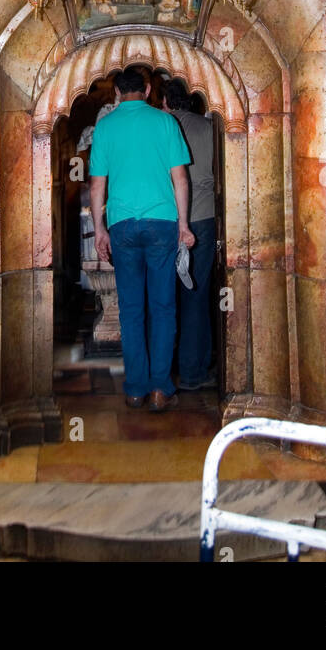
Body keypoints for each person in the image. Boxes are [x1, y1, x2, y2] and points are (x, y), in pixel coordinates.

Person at [89, 66, 194, 413]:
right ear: (148, 90)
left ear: (118, 92)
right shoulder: (166, 123)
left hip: (123, 225)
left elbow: (97, 185)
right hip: (162, 222)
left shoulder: (105, 127)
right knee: (163, 308)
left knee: (131, 310)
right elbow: (180, 178)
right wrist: (184, 224)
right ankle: (161, 389)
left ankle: (135, 388)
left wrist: (100, 229)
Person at [162, 78, 216, 391]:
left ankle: (164, 370)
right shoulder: (208, 128)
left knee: (163, 296)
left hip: (167, 219)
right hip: (204, 218)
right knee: (197, 296)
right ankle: (195, 369)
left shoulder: (159, 127)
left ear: (165, 102)